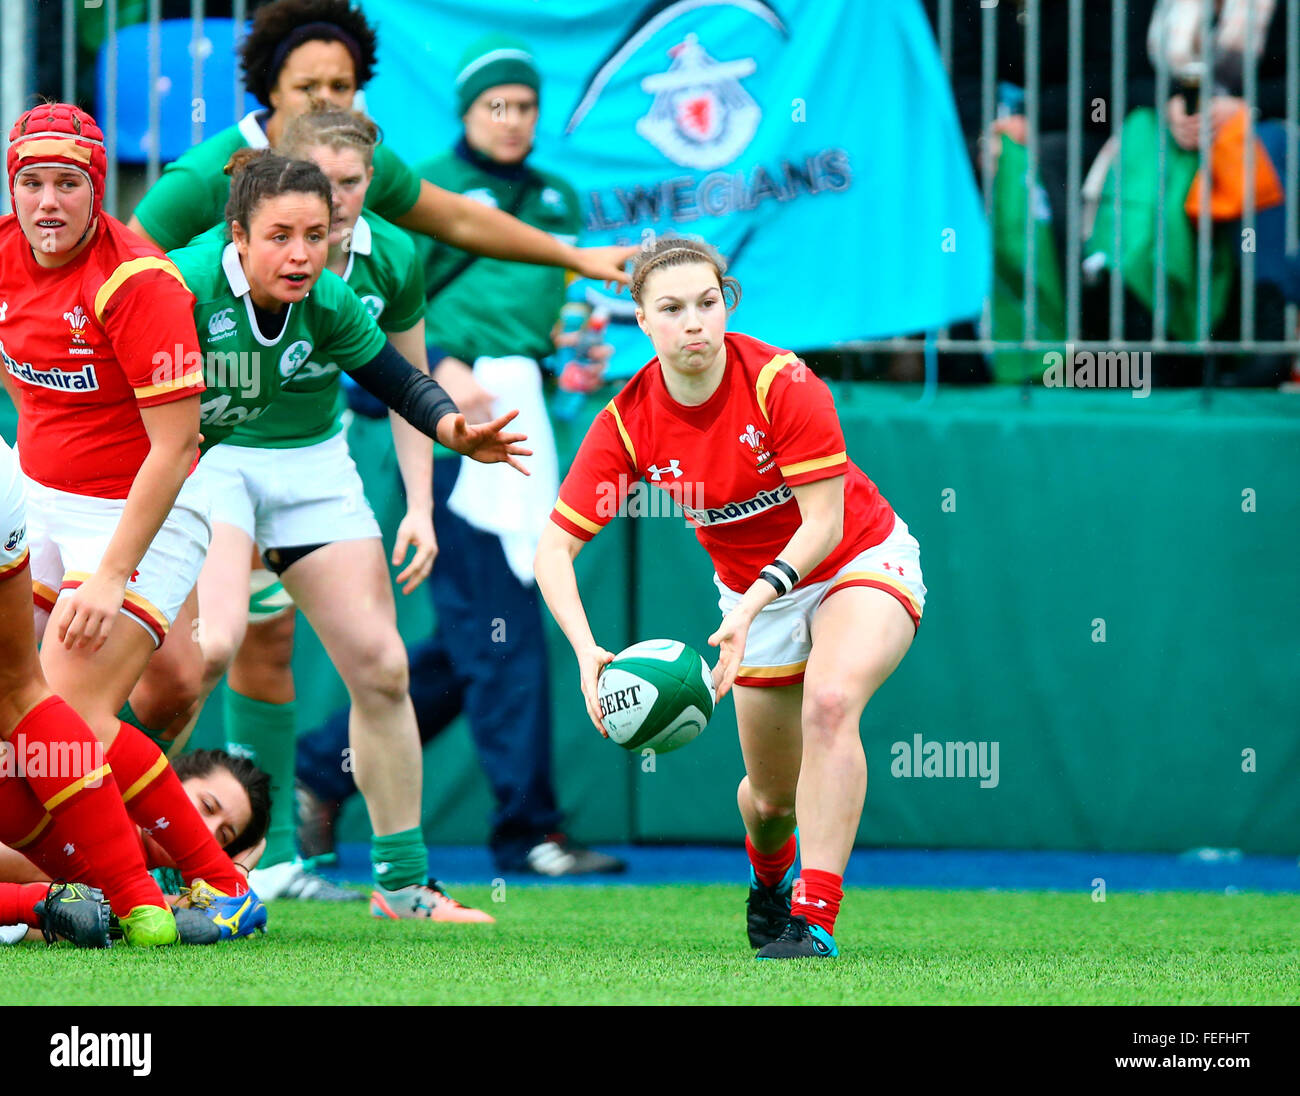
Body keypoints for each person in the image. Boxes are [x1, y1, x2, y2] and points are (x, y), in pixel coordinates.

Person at [131, 147, 526, 923]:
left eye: (316, 234)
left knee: (382, 666)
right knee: (210, 650)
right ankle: (109, 845)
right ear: (235, 232)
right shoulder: (180, 282)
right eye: (280, 235)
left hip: (312, 464)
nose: (302, 253)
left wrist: (453, 428)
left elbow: (397, 379)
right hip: (209, 460)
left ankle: (404, 886)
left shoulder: (334, 295)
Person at [534, 237, 927, 959]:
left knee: (832, 703)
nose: (695, 324)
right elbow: (552, 551)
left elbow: (825, 522)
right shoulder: (628, 421)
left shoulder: (783, 380)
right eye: (673, 309)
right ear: (642, 320)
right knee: (769, 801)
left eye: (708, 303)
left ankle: (813, 920)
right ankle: (770, 879)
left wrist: (750, 603)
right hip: (756, 601)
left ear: (727, 302)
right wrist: (589, 651)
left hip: (857, 559)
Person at [295, 38, 624, 878]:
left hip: (526, 408)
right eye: (495, 106)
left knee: (482, 632)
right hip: (449, 423)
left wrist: (566, 347)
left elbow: (540, 308)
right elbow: (394, 302)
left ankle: (318, 768)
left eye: (524, 105)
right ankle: (529, 831)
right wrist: (438, 367)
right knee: (502, 629)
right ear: (468, 113)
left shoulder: (558, 197)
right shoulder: (426, 185)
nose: (511, 121)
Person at [0, 101, 263, 943]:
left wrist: (111, 574)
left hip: (144, 509)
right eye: (31, 183)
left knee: (67, 718)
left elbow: (176, 446)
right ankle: (95, 895)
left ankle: (218, 886)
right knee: (23, 713)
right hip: (35, 499)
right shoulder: (5, 258)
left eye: (66, 184)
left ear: (96, 190)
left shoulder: (137, 282)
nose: (47, 202)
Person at [125, 0, 634, 286]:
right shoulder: (203, 174)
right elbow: (126, 272)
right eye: (307, 87)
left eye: (341, 87)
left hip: (317, 415)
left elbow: (457, 218)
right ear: (271, 88)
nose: (325, 100)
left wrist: (578, 258)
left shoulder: (358, 159)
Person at [0, 748, 272, 947]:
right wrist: (232, 880)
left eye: (223, 836)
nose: (206, 832)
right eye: (207, 806)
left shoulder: (139, 882)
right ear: (170, 780)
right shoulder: (87, 791)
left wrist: (230, 879)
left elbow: (90, 909)